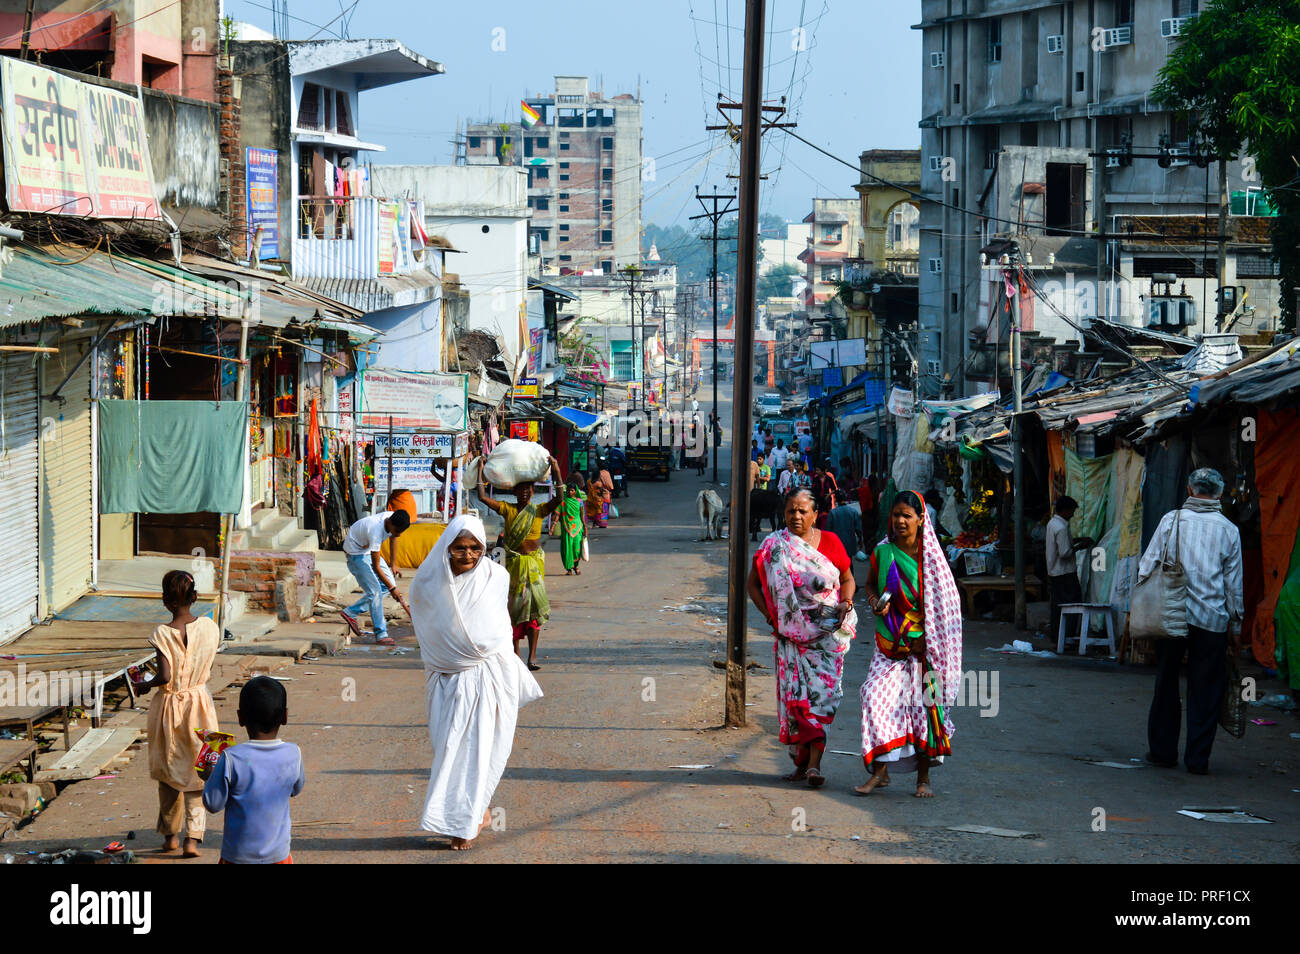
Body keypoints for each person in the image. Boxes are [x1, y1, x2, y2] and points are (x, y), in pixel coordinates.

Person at [409, 515, 544, 849]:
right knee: (448, 748)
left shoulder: (496, 576)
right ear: (447, 547)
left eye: (475, 548)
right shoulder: (427, 582)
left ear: (484, 548)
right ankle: (475, 813)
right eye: (460, 548)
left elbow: (498, 626)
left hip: (489, 676)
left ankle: (464, 823)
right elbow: (428, 632)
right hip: (444, 679)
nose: (467, 555)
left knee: (480, 751)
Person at [747, 488, 857, 788]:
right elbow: (752, 585)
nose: (796, 516)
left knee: (823, 700)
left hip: (827, 640)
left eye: (802, 511)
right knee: (797, 701)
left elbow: (847, 578)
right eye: (791, 511)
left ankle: (814, 763)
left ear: (815, 513)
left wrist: (845, 603)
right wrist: (771, 616)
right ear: (784, 514)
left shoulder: (831, 542)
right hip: (791, 639)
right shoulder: (775, 546)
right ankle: (804, 765)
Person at [856, 491, 963, 798]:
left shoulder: (931, 559)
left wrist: (928, 641)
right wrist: (876, 602)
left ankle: (924, 778)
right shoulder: (882, 551)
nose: (900, 521)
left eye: (907, 515)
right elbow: (870, 584)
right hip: (890, 643)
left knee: (925, 708)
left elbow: (946, 605)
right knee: (872, 695)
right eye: (896, 515)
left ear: (920, 519)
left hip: (926, 648)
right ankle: (880, 772)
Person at [1141, 468, 1244, 775]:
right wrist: (1236, 628)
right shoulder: (1229, 530)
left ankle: (1162, 752)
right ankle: (1197, 760)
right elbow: (1233, 586)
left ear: (1188, 488)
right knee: (1206, 689)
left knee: (1167, 683)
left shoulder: (1170, 521)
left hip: (1171, 616)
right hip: (1211, 621)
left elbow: (1146, 568)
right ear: (1220, 494)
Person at [136, 570, 220, 858]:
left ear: (165, 600)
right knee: (199, 773)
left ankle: (170, 836)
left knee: (169, 771)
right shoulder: (210, 627)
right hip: (201, 704)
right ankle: (192, 840)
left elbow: (165, 675)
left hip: (169, 707)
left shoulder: (162, 633)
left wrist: (144, 684)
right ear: (195, 597)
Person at [201, 676, 305, 864]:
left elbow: (213, 804)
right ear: (285, 717)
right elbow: (295, 789)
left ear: (240, 718)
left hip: (237, 857)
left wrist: (209, 777)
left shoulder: (231, 758)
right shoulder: (293, 753)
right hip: (278, 856)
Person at [476, 453, 564, 671]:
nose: (525, 493)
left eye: (528, 489)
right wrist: (480, 470)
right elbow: (483, 497)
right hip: (513, 564)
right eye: (521, 489)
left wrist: (556, 470)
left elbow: (559, 498)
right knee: (513, 612)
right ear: (514, 492)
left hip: (533, 566)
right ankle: (515, 654)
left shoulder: (539, 510)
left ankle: (532, 657)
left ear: (532, 492)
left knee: (534, 614)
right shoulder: (508, 509)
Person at [340, 509, 412, 646]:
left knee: (385, 585)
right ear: (390, 523)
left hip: (366, 550)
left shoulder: (392, 518)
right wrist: (393, 589)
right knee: (375, 592)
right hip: (355, 554)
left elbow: (394, 538)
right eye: (397, 530)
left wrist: (393, 564)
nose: (398, 534)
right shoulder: (375, 530)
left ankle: (351, 612)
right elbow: (376, 566)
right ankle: (381, 634)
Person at [1045, 496, 1093, 644]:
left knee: (1057, 606)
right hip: (1065, 573)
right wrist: (1080, 546)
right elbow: (1065, 552)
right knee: (1073, 605)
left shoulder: (1053, 523)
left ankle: (1057, 637)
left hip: (1054, 572)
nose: (1072, 514)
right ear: (1065, 510)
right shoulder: (1062, 527)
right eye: (1072, 511)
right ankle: (1067, 638)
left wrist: (1077, 540)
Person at [557, 479, 587, 576]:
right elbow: (558, 514)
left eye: (572, 490)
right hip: (566, 528)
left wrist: (585, 527)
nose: (570, 492)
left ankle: (576, 566)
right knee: (567, 549)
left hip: (578, 527)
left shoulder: (579, 501)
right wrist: (552, 526)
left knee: (576, 548)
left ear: (575, 491)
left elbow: (582, 515)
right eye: (568, 490)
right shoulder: (563, 502)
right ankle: (569, 569)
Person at [826, 489, 863, 558]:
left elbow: (828, 530)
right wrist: (860, 540)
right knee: (849, 562)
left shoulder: (832, 513)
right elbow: (858, 529)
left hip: (837, 544)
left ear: (836, 499)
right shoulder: (853, 511)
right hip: (850, 543)